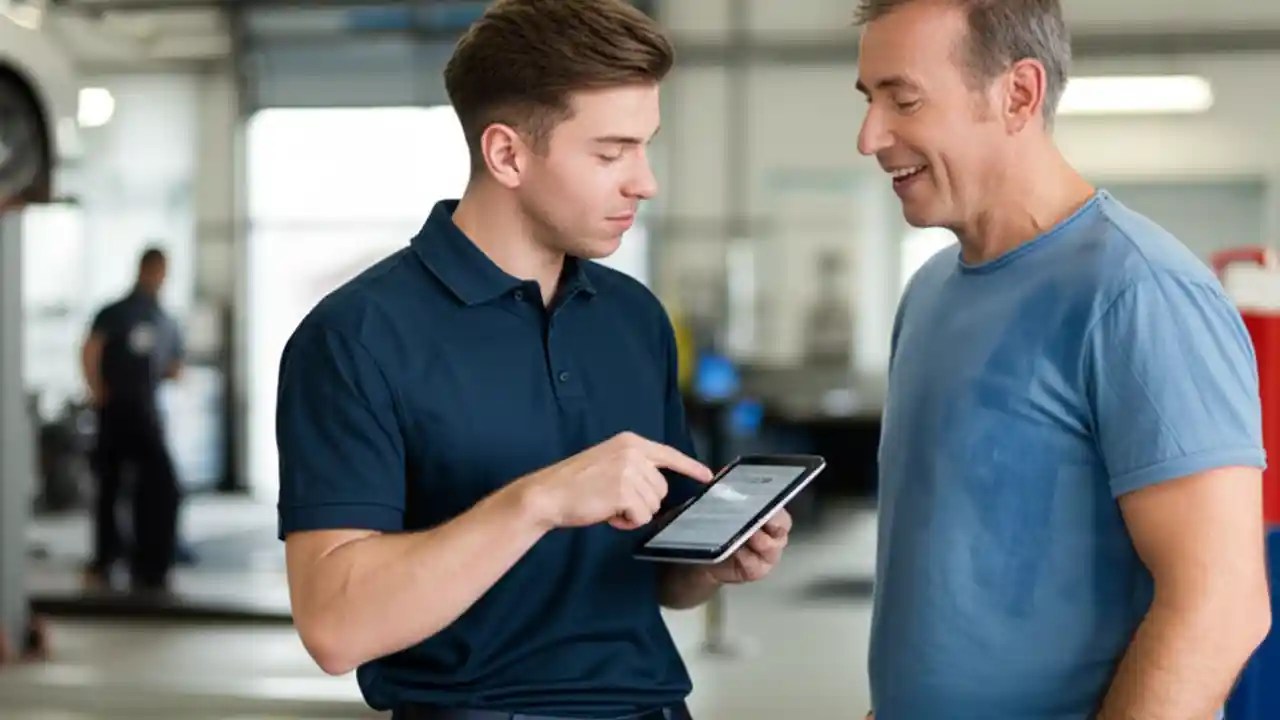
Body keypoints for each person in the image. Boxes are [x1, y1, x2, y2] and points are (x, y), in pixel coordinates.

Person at [274, 2, 792, 719]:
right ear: (507, 154)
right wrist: (538, 501)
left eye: (646, 147)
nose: (644, 181)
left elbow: (656, 579)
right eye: (610, 154)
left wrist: (711, 563)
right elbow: (334, 628)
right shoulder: (356, 337)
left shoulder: (633, 319)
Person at [853, 1, 1272, 719]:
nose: (871, 136)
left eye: (905, 99)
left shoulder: (1140, 292)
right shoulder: (929, 292)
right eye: (869, 101)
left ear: (1018, 93)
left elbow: (1220, 607)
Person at [80, 246, 185, 592]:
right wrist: (96, 389)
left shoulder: (164, 318)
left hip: (146, 411)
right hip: (116, 409)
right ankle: (106, 560)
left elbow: (173, 366)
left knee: (158, 487)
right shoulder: (116, 313)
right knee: (110, 487)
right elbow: (91, 348)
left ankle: (149, 564)